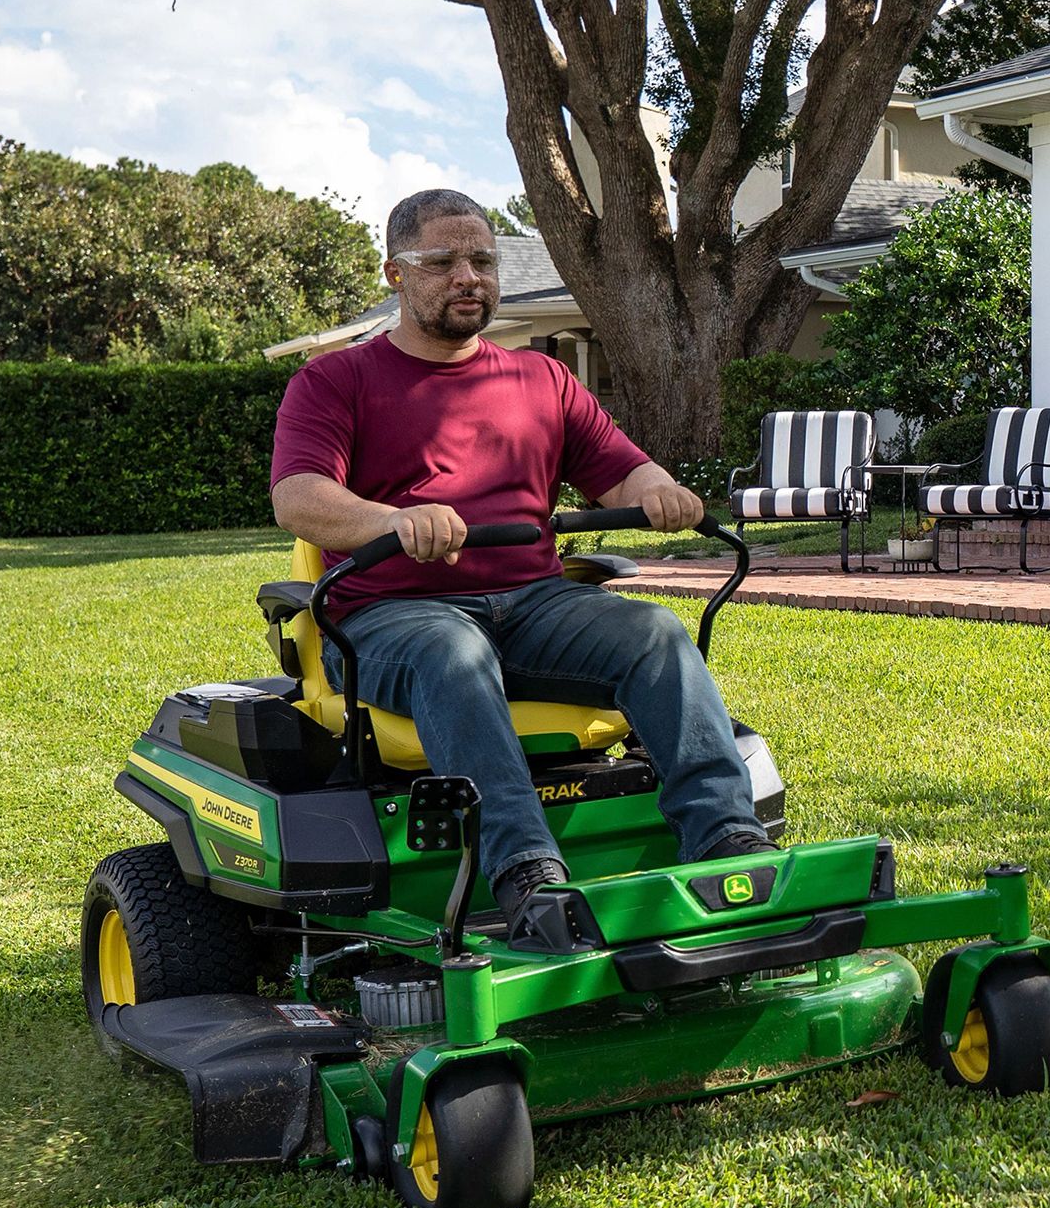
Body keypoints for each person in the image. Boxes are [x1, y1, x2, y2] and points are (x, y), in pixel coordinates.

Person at [269, 187, 769, 951]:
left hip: (532, 602)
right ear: (396, 276)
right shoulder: (336, 382)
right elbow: (299, 497)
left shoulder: (542, 381)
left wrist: (661, 494)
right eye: (442, 262)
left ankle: (731, 846)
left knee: (655, 633)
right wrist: (394, 522)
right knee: (453, 652)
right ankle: (530, 877)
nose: (468, 276)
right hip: (391, 615)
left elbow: (622, 472)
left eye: (482, 260)